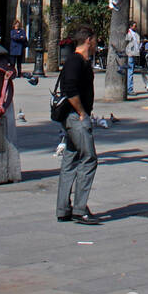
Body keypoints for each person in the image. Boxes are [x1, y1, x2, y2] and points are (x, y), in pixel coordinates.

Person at [56, 24, 103, 226]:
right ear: (88, 40)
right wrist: (82, 112)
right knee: (89, 158)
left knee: (70, 159)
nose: (96, 44)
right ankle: (80, 209)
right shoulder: (76, 61)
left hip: (72, 117)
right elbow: (69, 88)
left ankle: (63, 209)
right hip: (76, 118)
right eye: (95, 41)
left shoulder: (79, 60)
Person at [125, 23, 141, 93]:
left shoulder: (134, 34)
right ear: (131, 26)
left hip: (134, 54)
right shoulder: (129, 33)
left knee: (131, 71)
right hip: (130, 54)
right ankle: (129, 89)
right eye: (134, 26)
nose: (136, 27)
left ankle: (129, 88)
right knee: (130, 71)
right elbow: (127, 43)